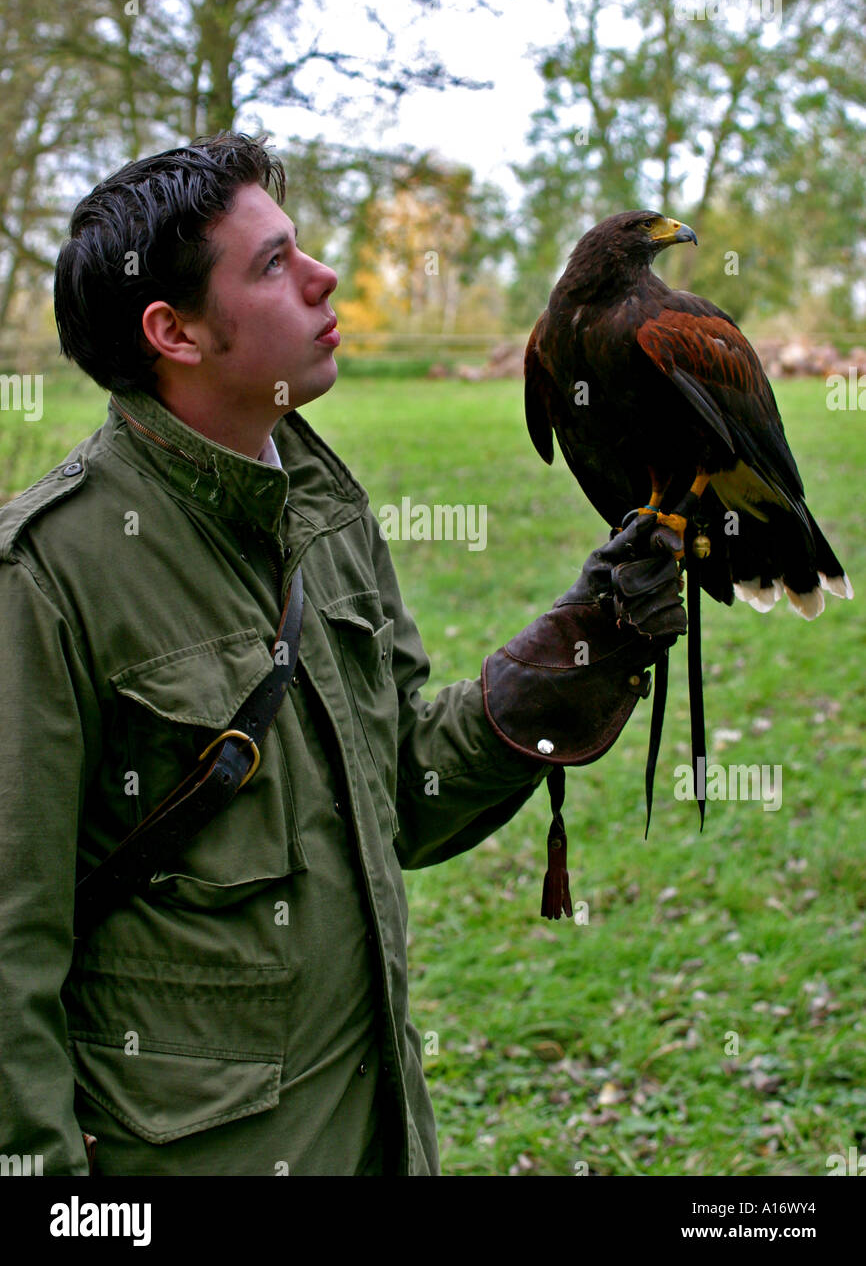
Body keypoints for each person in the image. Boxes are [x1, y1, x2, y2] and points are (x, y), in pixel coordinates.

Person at [0, 132, 684, 1176]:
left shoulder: (321, 509)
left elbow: (394, 789)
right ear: (173, 329)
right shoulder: (47, 572)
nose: (323, 277)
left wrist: (574, 654)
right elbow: (10, 956)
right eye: (272, 263)